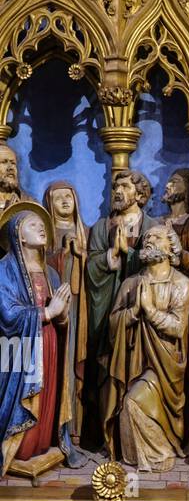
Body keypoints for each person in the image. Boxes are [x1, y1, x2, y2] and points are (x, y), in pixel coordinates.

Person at [104, 223, 189, 471]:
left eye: (156, 237)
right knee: (127, 406)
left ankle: (160, 453)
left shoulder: (181, 284)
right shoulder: (131, 283)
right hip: (134, 360)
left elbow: (177, 327)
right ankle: (138, 458)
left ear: (171, 246)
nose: (148, 240)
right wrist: (133, 311)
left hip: (165, 364)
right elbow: (113, 323)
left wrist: (150, 310)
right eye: (147, 238)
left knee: (134, 403)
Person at [85, 169, 159, 444]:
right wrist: (111, 255)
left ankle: (134, 437)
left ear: (140, 195)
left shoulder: (153, 226)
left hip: (142, 313)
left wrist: (131, 254)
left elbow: (160, 263)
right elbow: (92, 267)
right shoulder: (102, 227)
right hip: (108, 311)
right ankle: (106, 436)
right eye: (116, 187)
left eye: (125, 187)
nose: (118, 192)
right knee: (105, 369)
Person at [0, 207, 71, 475]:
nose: (42, 228)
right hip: (19, 348)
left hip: (49, 341)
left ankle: (44, 443)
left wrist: (62, 315)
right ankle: (19, 448)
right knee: (26, 395)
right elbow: (7, 314)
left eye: (43, 224)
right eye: (33, 225)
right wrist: (48, 312)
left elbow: (60, 317)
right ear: (19, 235)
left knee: (49, 392)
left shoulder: (50, 273)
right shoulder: (4, 270)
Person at [43, 180, 90, 462]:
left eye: (68, 197)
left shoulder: (86, 233)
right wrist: (62, 254)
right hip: (55, 311)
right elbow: (40, 269)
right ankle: (57, 431)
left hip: (80, 312)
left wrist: (81, 255)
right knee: (58, 368)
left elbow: (97, 274)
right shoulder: (44, 236)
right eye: (58, 197)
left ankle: (76, 431)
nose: (64, 201)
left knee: (75, 369)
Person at [161, 168, 189, 277]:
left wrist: (179, 253)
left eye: (175, 182)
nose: (167, 186)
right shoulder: (158, 221)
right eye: (169, 182)